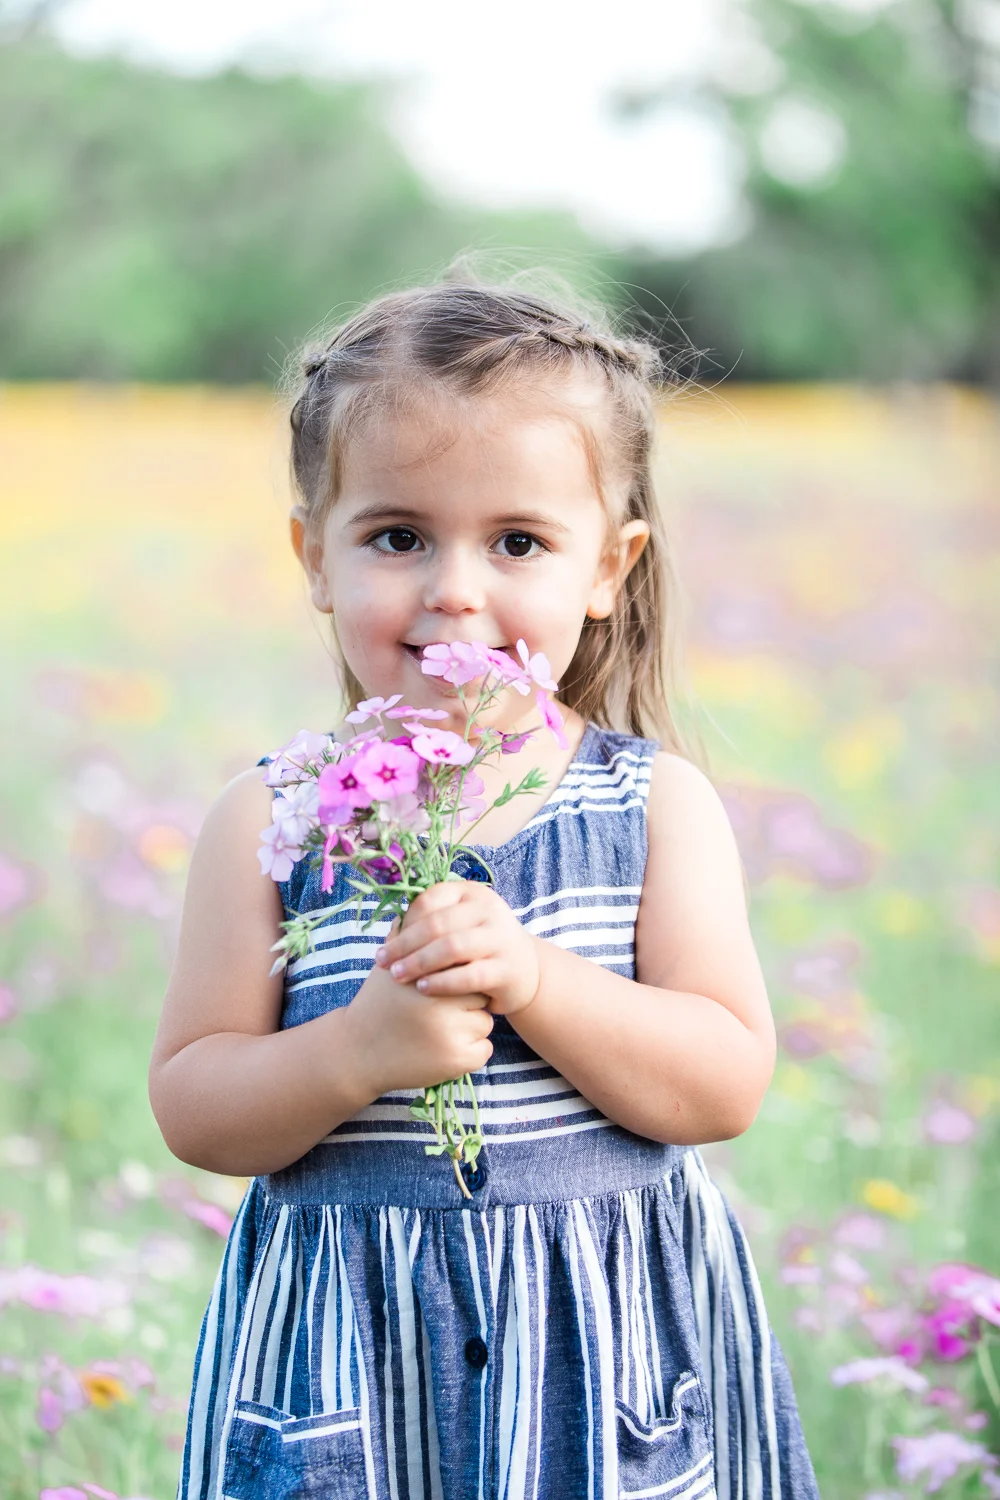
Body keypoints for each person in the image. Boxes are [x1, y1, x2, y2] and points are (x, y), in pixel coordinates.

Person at [151, 277, 819, 1500]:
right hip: (351, 1358)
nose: (455, 589)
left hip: (601, 1350)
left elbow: (721, 1082)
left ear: (607, 568)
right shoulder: (269, 823)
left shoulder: (652, 808)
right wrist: (357, 1051)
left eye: (517, 542)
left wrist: (537, 980)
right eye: (397, 535)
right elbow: (197, 1108)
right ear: (315, 555)